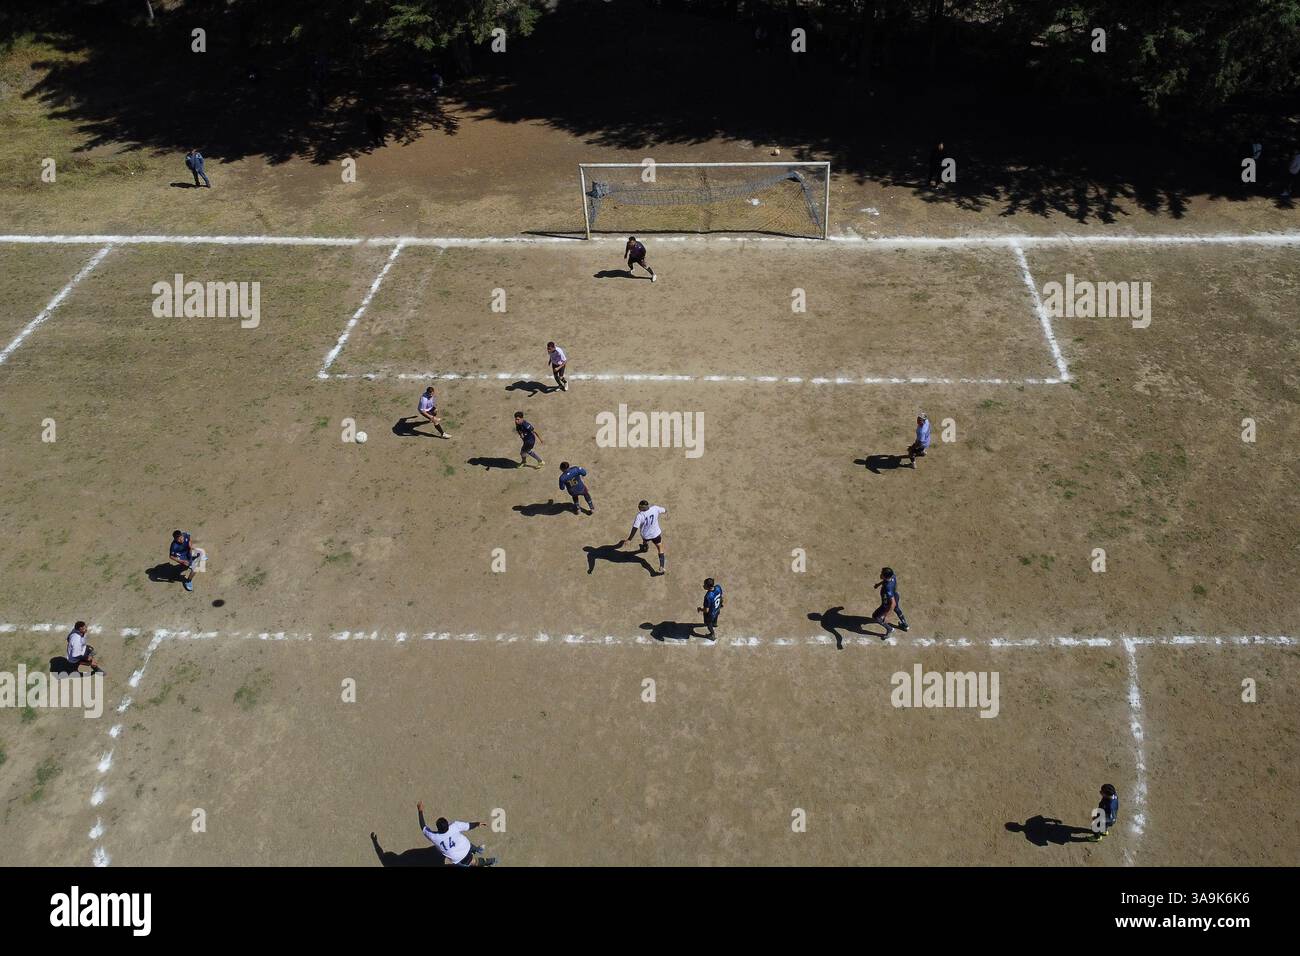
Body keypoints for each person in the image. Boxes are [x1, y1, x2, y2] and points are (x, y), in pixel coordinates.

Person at [417, 802, 496, 866]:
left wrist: (420, 811)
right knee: (464, 842)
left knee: (473, 862)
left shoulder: (434, 837)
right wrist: (478, 823)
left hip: (459, 857)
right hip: (466, 845)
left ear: (438, 828)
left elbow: (423, 827)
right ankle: (479, 851)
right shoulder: (454, 826)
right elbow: (469, 826)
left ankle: (489, 861)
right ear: (447, 824)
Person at [623, 500, 667, 575]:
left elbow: (635, 528)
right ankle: (662, 566)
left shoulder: (640, 515)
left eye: (639, 507)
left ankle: (645, 548)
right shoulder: (655, 508)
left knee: (645, 540)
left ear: (642, 508)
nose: (638, 508)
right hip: (656, 534)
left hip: (646, 535)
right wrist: (666, 512)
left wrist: (629, 539)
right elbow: (664, 510)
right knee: (659, 547)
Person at [871, 566, 908, 633]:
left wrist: (887, 615)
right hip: (895, 595)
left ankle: (889, 629)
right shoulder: (892, 576)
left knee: (875, 616)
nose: (880, 574)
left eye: (881, 573)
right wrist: (879, 584)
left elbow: (893, 603)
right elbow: (886, 580)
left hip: (887, 603)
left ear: (885, 576)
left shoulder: (887, 588)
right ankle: (905, 625)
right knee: (897, 609)